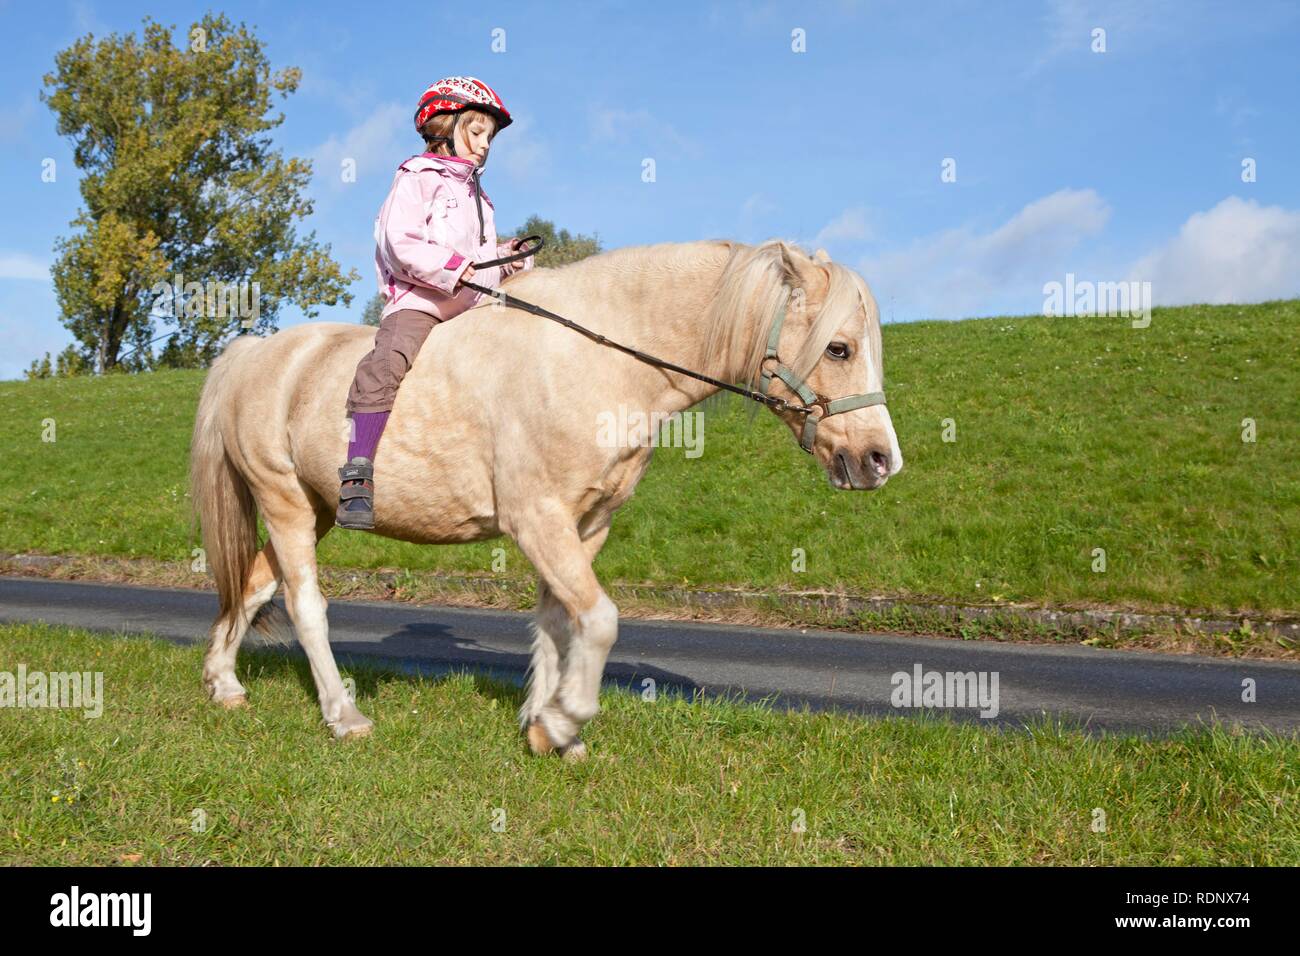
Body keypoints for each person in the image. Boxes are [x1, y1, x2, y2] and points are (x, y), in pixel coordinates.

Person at [337, 76, 533, 529]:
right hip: (421, 302)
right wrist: (451, 266)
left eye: (489, 137)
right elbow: (398, 241)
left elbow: (480, 264)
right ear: (444, 126)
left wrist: (507, 259)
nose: (485, 146)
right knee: (385, 365)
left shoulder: (481, 198)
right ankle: (357, 475)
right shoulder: (416, 177)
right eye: (476, 132)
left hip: (472, 310)